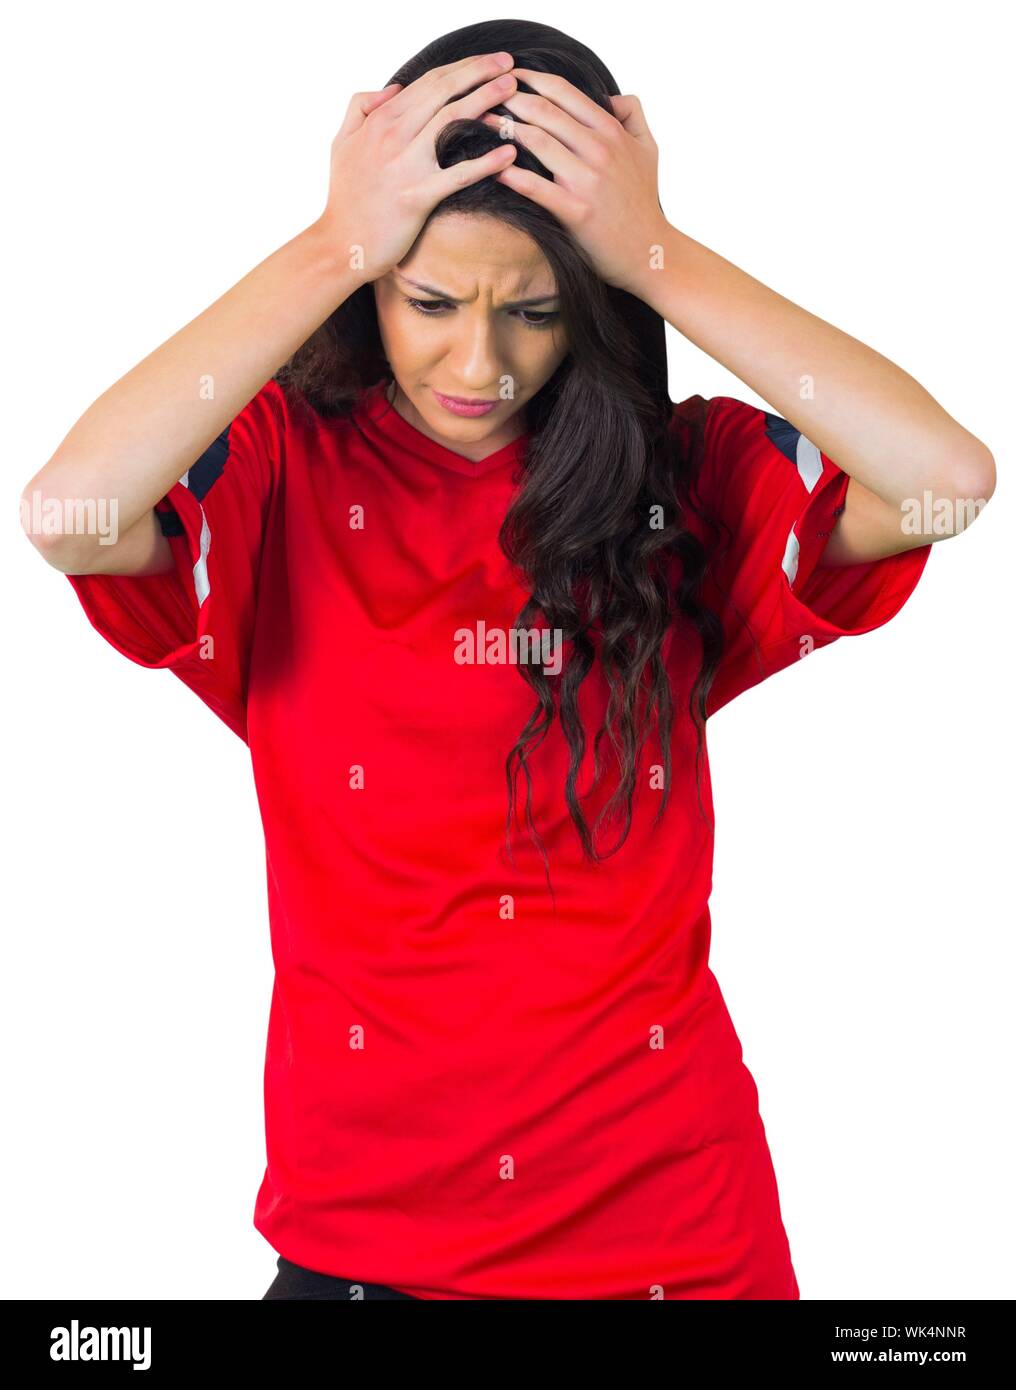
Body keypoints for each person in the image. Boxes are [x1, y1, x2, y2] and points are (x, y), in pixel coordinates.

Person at [20, 19, 994, 1301]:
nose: (477, 364)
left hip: (670, 1238)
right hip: (362, 1235)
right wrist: (330, 241)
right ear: (371, 286)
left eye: (534, 311)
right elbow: (69, 513)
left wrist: (658, 253)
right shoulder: (277, 471)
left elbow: (944, 481)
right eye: (428, 301)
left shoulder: (681, 478)